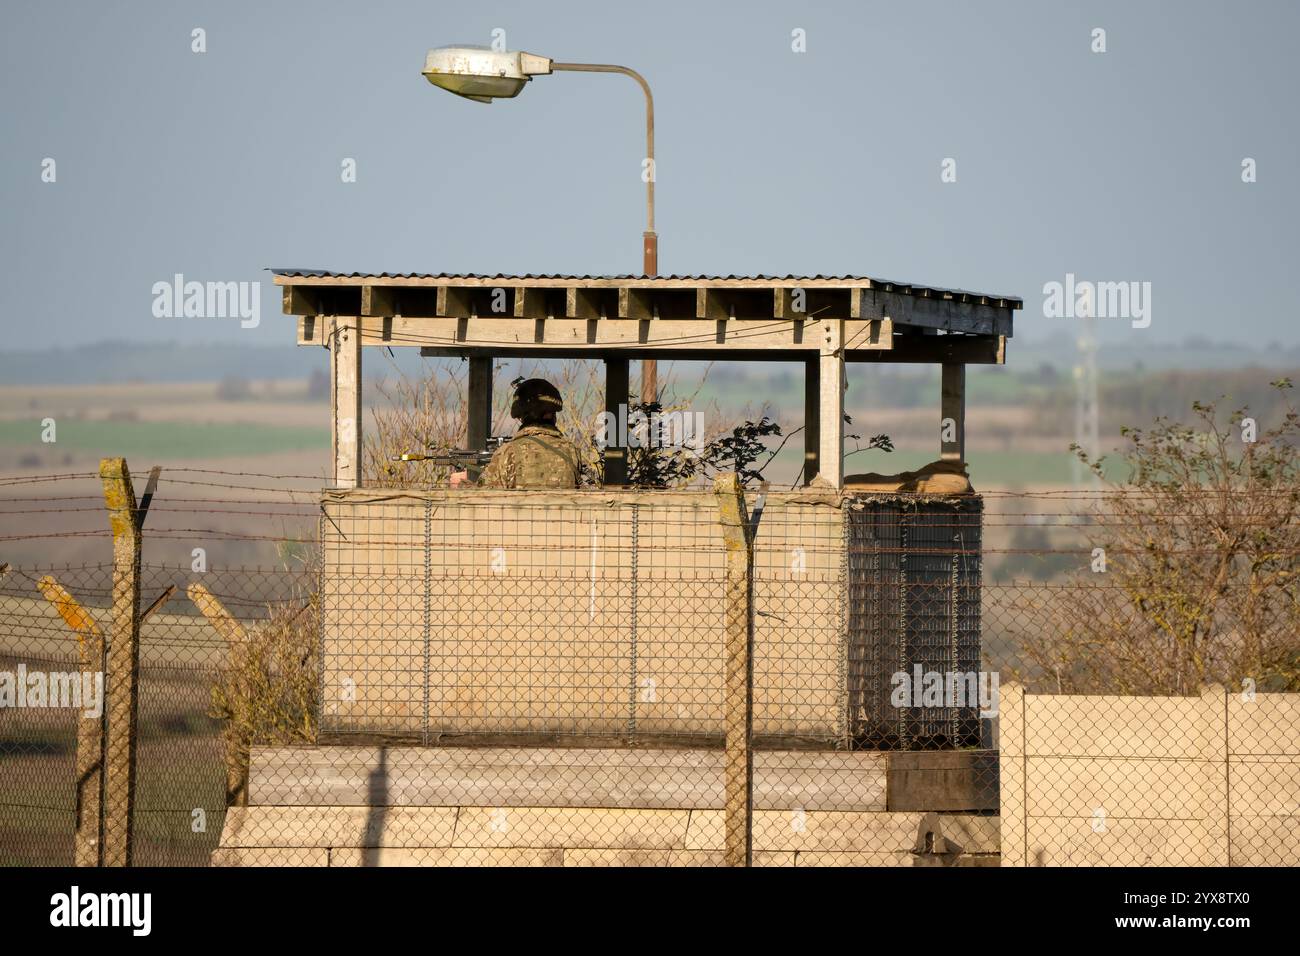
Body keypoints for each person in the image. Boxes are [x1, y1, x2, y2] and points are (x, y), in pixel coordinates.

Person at [451, 378, 580, 489]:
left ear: (522, 416)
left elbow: (483, 499)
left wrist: (461, 483)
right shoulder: (571, 451)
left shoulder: (508, 452)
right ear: (551, 415)